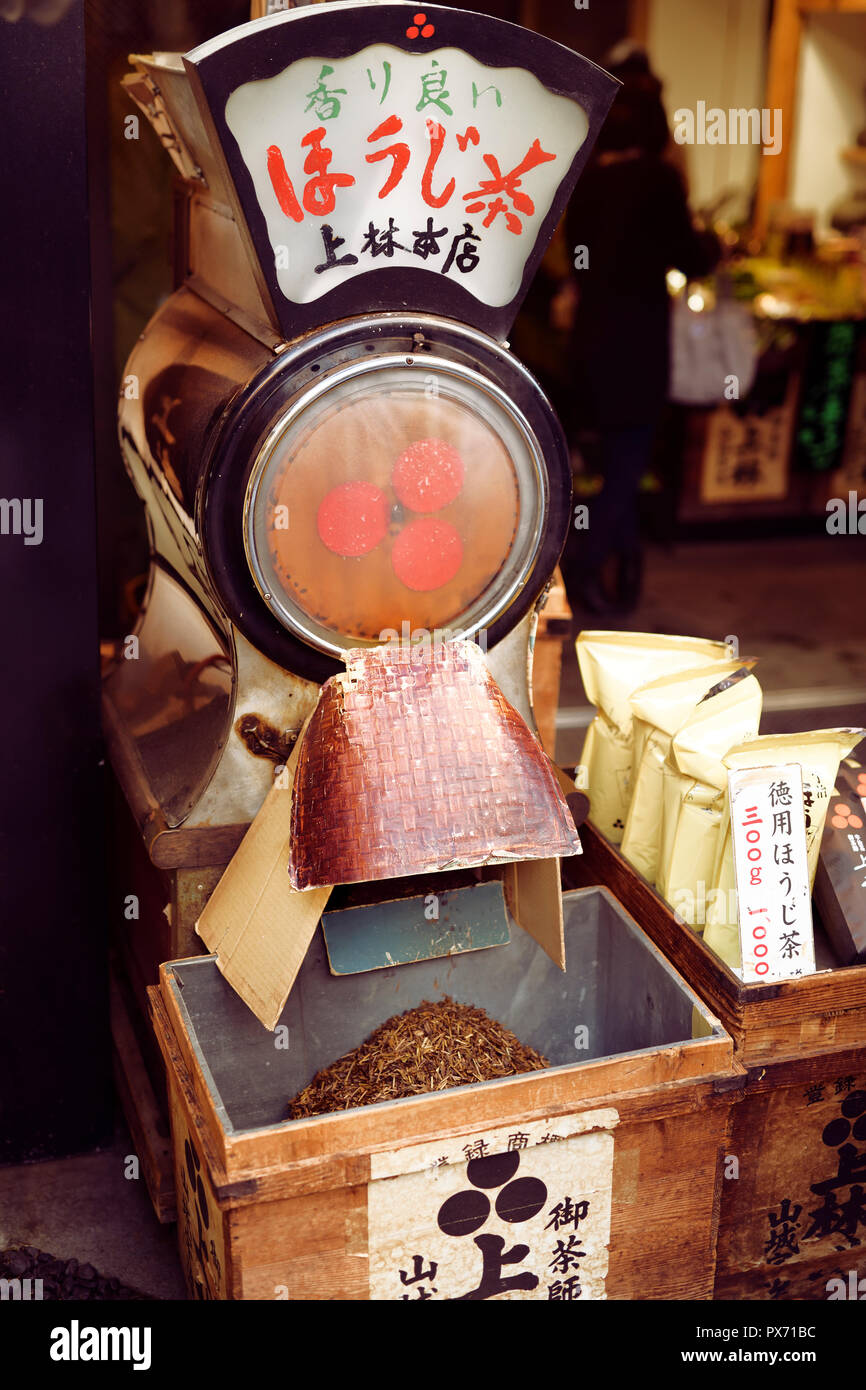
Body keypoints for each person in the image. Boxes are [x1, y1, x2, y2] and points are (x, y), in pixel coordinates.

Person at [558, 45, 720, 615]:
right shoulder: (658, 183)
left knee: (613, 462)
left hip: (590, 342)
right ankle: (585, 566)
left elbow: (575, 263)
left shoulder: (586, 185)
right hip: (640, 342)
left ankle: (618, 576)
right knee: (630, 461)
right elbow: (693, 259)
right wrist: (711, 240)